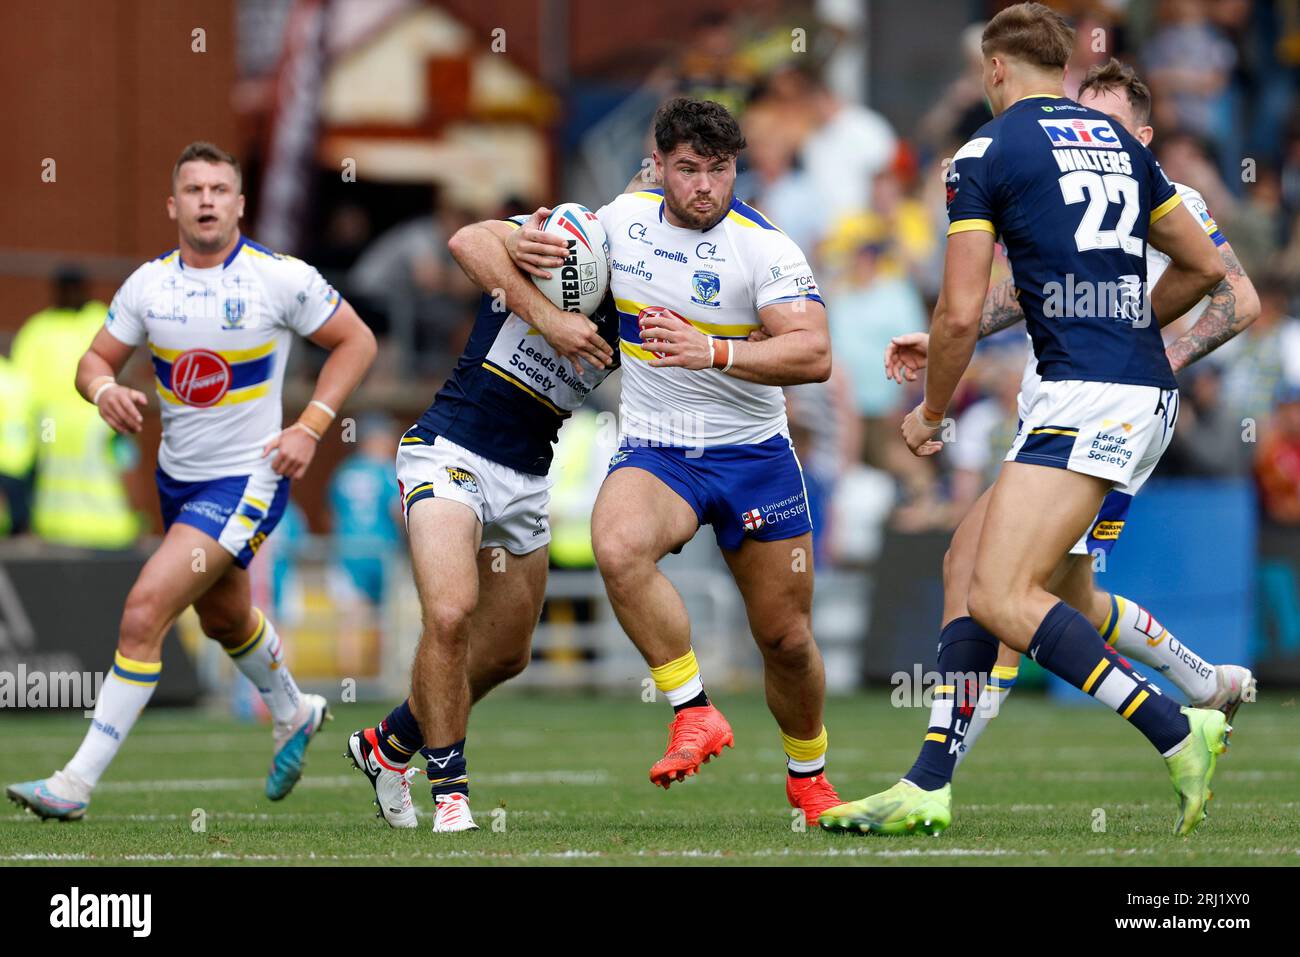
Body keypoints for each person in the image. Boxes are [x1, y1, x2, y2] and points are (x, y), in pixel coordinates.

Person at [820, 4, 1230, 838]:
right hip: (1122, 391)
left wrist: (931, 412)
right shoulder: (1118, 143)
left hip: (1087, 396)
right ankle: (929, 780)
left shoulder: (985, 151)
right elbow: (1207, 266)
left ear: (997, 70)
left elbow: (959, 312)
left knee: (1005, 594)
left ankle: (1177, 724)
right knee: (971, 563)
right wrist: (1131, 332)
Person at [6, 141, 377, 821]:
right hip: (178, 481)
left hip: (246, 481)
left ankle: (74, 782)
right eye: (194, 189)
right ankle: (294, 709)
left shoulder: (280, 277)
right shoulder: (149, 285)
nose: (207, 200)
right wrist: (102, 389)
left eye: (219, 189)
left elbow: (358, 341)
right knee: (225, 615)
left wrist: (311, 425)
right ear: (173, 205)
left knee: (146, 609)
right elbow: (95, 359)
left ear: (239, 204)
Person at [507, 96, 841, 821]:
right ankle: (693, 708)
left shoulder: (766, 247)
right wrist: (533, 263)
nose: (704, 187)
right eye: (687, 169)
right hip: (661, 448)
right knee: (617, 543)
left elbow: (814, 353)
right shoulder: (619, 222)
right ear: (655, 166)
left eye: (719, 170)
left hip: (755, 456)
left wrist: (714, 349)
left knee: (785, 638)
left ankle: (808, 772)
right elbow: (500, 246)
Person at [344, 211, 619, 832]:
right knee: (449, 613)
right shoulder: (561, 235)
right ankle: (450, 795)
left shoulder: (642, 291)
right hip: (451, 451)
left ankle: (387, 745)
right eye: (659, 170)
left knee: (505, 654)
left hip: (525, 479)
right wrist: (551, 319)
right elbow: (467, 239)